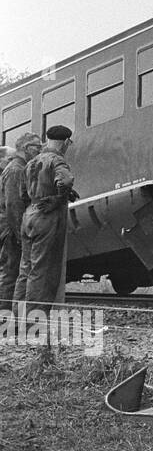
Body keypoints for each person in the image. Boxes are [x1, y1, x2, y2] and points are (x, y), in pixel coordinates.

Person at [17, 125, 75, 318]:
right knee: (41, 271)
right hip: (46, 218)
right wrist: (58, 198)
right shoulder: (57, 160)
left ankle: (16, 318)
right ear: (65, 142)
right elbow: (65, 181)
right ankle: (35, 321)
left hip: (29, 216)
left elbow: (22, 193)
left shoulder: (31, 162)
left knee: (25, 269)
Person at [0, 135, 40, 311]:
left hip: (13, 228)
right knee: (11, 273)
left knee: (14, 272)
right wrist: (20, 234)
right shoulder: (16, 170)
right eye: (36, 147)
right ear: (26, 148)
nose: (39, 150)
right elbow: (13, 205)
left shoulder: (19, 168)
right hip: (11, 229)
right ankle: (4, 317)